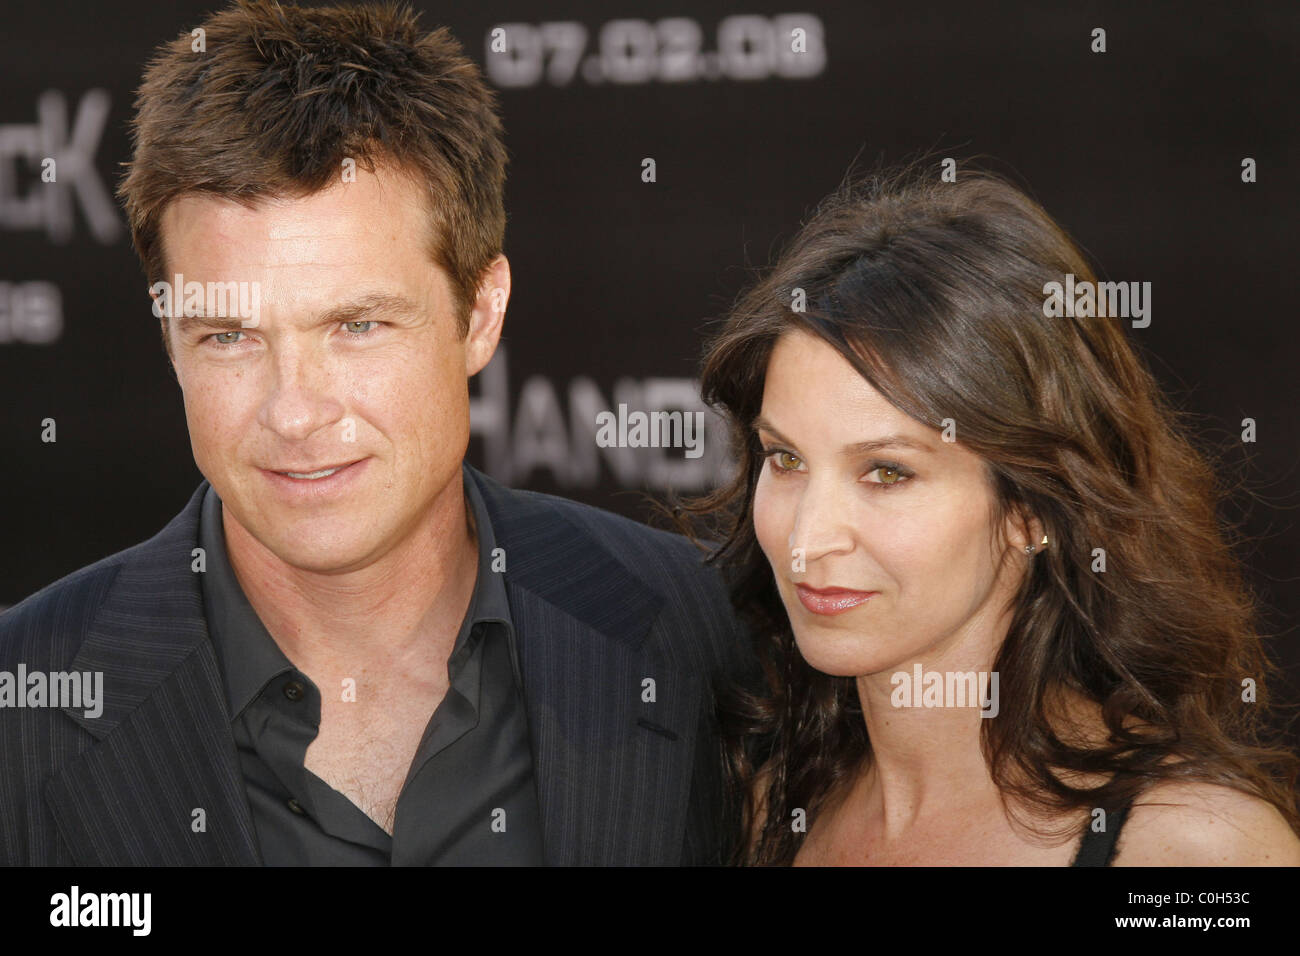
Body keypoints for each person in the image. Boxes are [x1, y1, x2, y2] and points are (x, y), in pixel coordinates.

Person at [0, 0, 752, 866]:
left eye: (357, 326)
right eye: (229, 337)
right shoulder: (27, 710)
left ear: (480, 312)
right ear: (168, 336)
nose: (295, 411)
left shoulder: (694, 636)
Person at [677, 164, 1300, 865]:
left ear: (1033, 507)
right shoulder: (756, 811)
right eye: (785, 460)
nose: (807, 539)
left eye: (887, 472)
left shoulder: (1190, 849)